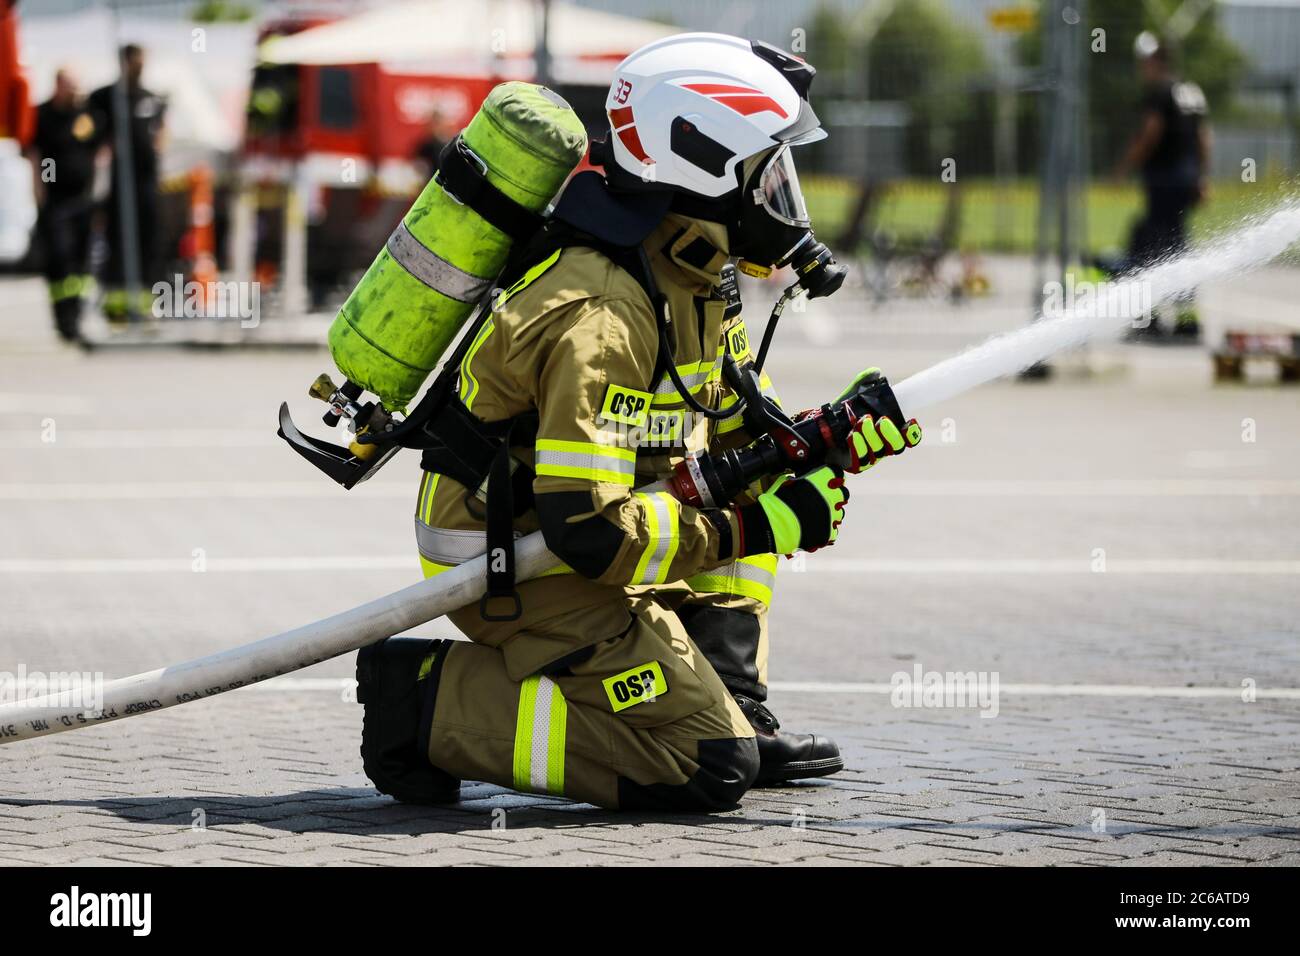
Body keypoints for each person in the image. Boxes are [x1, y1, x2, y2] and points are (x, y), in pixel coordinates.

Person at [356, 33, 921, 811]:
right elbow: (587, 530)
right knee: (710, 767)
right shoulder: (605, 313)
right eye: (771, 174)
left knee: (757, 511)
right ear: (705, 157)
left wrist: (826, 442)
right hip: (511, 559)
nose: (785, 199)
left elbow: (734, 440)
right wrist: (761, 528)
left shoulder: (690, 274)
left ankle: (732, 703)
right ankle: (428, 705)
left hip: (587, 531)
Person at [1113, 31, 1210, 342]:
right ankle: (1186, 319)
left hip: (1164, 181)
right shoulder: (1191, 92)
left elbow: (1151, 133)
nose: (1142, 68)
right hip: (1185, 181)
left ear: (1155, 61)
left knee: (1152, 247)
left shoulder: (1160, 93)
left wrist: (1123, 168)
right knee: (1177, 245)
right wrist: (1201, 177)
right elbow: (1204, 138)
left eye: (1145, 62)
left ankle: (1151, 319)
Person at [88, 44, 166, 322]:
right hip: (119, 184)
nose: (140, 67)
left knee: (150, 241)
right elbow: (92, 139)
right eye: (135, 62)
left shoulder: (152, 98)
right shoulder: (105, 97)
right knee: (118, 241)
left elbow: (160, 135)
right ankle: (116, 305)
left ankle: (148, 304)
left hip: (147, 183)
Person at [27, 67, 103, 342]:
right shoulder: (44, 115)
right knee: (59, 257)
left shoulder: (86, 115)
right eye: (70, 86)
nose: (75, 92)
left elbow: (99, 151)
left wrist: (95, 189)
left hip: (83, 198)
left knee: (83, 260)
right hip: (56, 201)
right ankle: (63, 318)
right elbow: (39, 156)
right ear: (58, 85)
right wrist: (42, 191)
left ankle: (77, 316)